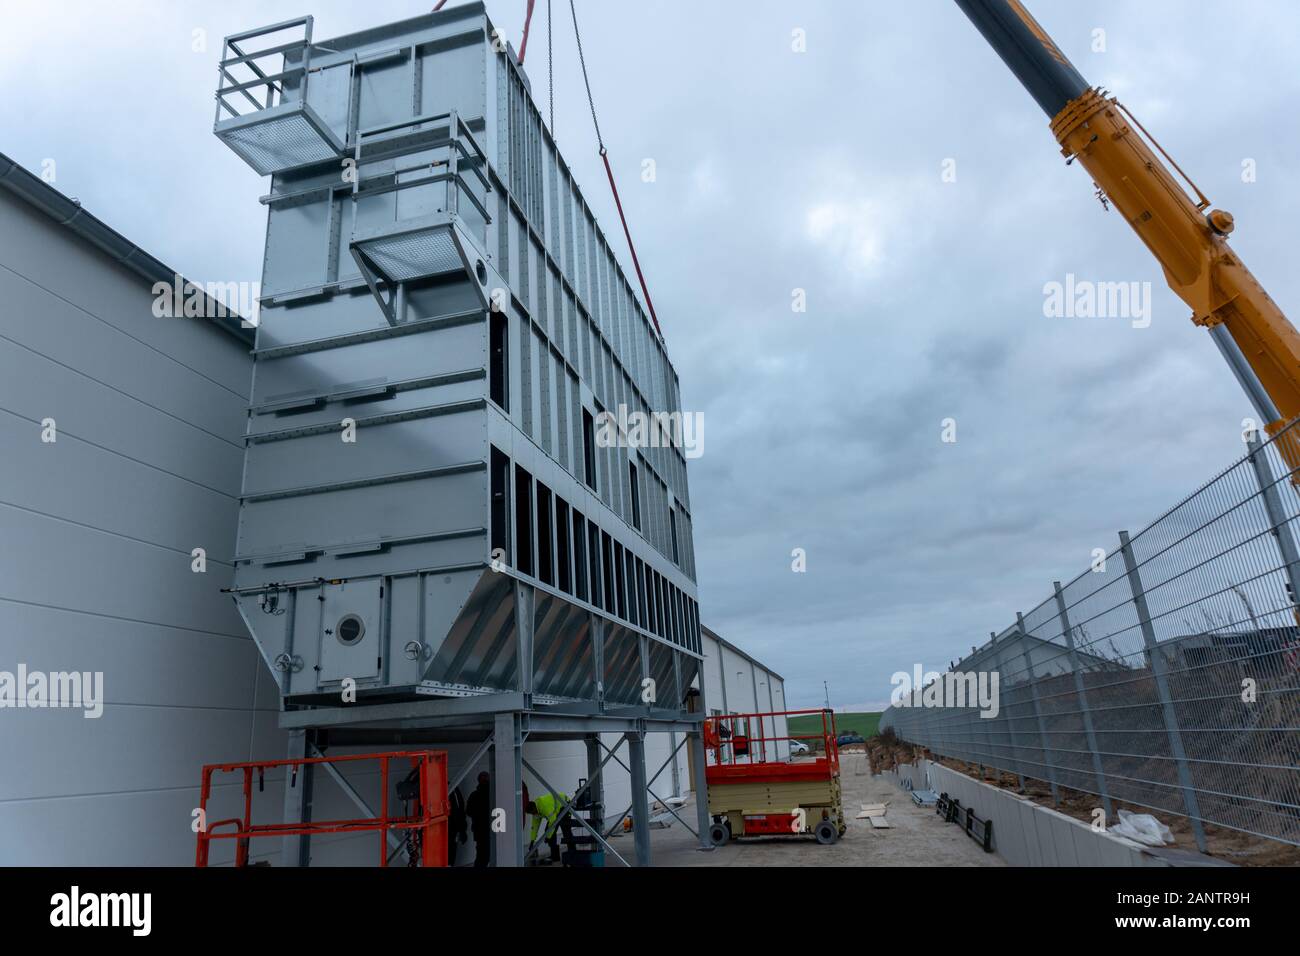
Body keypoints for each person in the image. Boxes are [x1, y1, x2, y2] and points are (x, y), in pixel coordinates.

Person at [526, 789, 577, 864]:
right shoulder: (534, 812)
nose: (533, 814)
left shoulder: (543, 805)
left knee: (566, 831)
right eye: (532, 814)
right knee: (549, 831)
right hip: (556, 810)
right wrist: (532, 841)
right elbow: (534, 827)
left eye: (533, 813)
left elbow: (553, 821)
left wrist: (548, 837)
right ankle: (555, 856)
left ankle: (573, 854)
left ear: (534, 808)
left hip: (564, 804)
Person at [464, 772, 492, 868]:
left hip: (479, 830)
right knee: (495, 853)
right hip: (495, 828)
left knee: (481, 856)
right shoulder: (494, 793)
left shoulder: (474, 795)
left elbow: (469, 812)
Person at [446, 785, 467, 866]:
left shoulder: (452, 789)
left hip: (449, 829)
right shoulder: (453, 789)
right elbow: (460, 810)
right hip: (451, 829)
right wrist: (462, 830)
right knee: (450, 854)